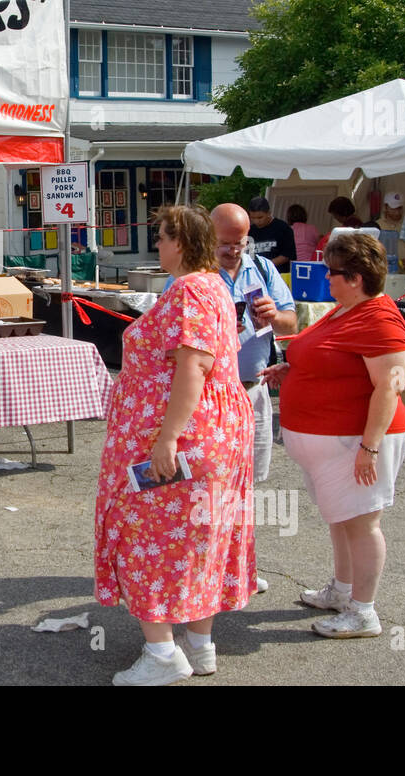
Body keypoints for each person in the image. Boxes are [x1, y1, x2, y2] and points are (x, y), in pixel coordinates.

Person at [95, 205, 255, 686]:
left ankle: (163, 654)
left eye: (162, 237)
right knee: (196, 538)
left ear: (180, 242)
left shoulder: (191, 289)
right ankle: (199, 645)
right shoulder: (212, 286)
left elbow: (195, 366)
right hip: (213, 431)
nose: (157, 245)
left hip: (184, 436)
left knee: (150, 537)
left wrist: (166, 438)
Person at [259, 232, 405, 639]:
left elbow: (390, 387)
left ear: (356, 277)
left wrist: (369, 446)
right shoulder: (348, 309)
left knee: (362, 523)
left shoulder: (380, 319)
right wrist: (294, 371)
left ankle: (363, 611)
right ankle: (342, 591)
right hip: (332, 441)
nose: (326, 277)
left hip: (356, 439)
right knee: (342, 519)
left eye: (333, 272)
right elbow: (330, 356)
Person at [208, 204, 297, 592]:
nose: (232, 251)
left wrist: (274, 314)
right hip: (211, 398)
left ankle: (240, 566)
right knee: (210, 487)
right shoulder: (196, 276)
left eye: (239, 243)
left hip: (254, 390)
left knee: (248, 486)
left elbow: (293, 320)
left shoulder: (261, 268)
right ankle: (209, 567)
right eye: (224, 244)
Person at [363, 192, 405, 271]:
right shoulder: (377, 225)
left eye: (399, 208)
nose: (397, 212)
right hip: (387, 271)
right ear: (386, 207)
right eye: (393, 208)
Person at [246, 197, 296, 269]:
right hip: (255, 274)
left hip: (278, 274)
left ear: (269, 213)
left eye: (260, 217)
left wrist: (266, 266)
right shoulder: (249, 230)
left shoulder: (283, 228)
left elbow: (287, 255)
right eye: (253, 218)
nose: (256, 221)